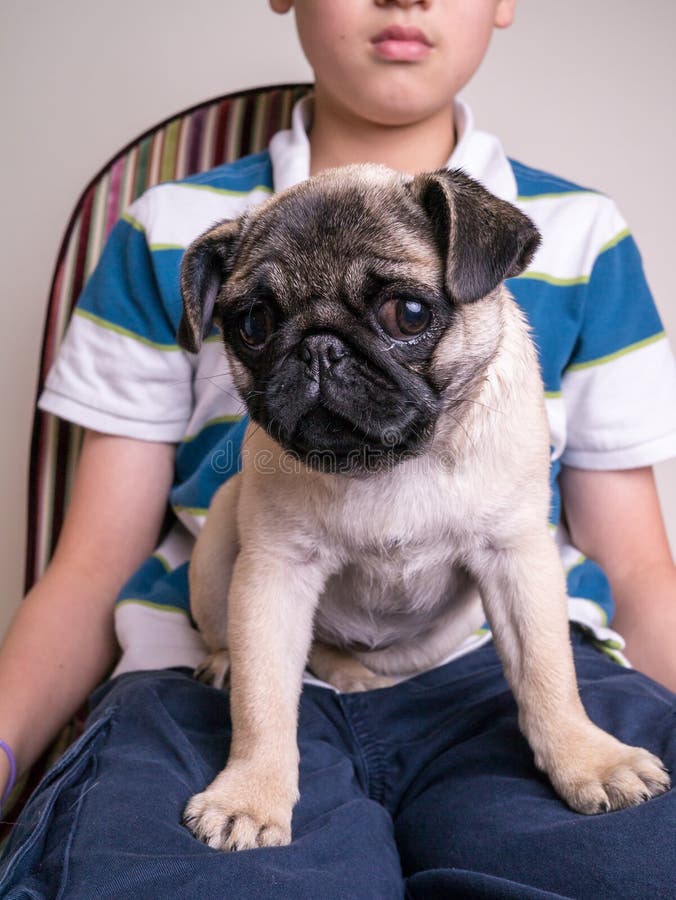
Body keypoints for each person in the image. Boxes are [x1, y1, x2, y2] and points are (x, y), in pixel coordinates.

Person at [1, 1, 675, 896]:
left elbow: (635, 567)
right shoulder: (164, 227)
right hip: (219, 676)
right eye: (259, 325)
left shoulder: (583, 232)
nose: (322, 363)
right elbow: (89, 566)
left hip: (487, 668)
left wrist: (570, 726)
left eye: (401, 315)